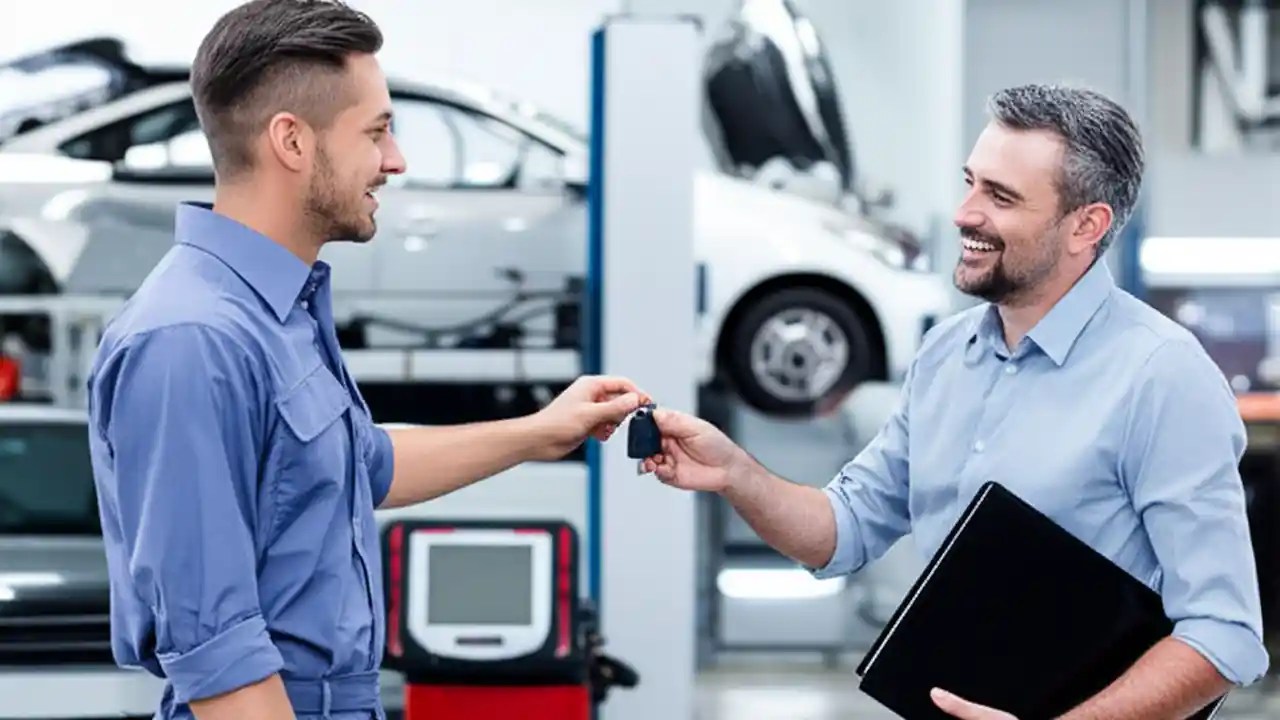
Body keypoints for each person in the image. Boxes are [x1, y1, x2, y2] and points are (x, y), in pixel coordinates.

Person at [85, 2, 647, 718]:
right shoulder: (191, 340)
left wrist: (542, 431)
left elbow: (357, 466)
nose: (396, 160)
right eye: (376, 131)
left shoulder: (275, 313)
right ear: (291, 141)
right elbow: (219, 659)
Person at [643, 84, 1269, 719]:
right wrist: (735, 474)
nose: (965, 213)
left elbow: (1224, 635)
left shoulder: (1162, 376)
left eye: (1000, 197)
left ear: (1087, 226)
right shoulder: (946, 355)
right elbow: (842, 530)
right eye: (971, 183)